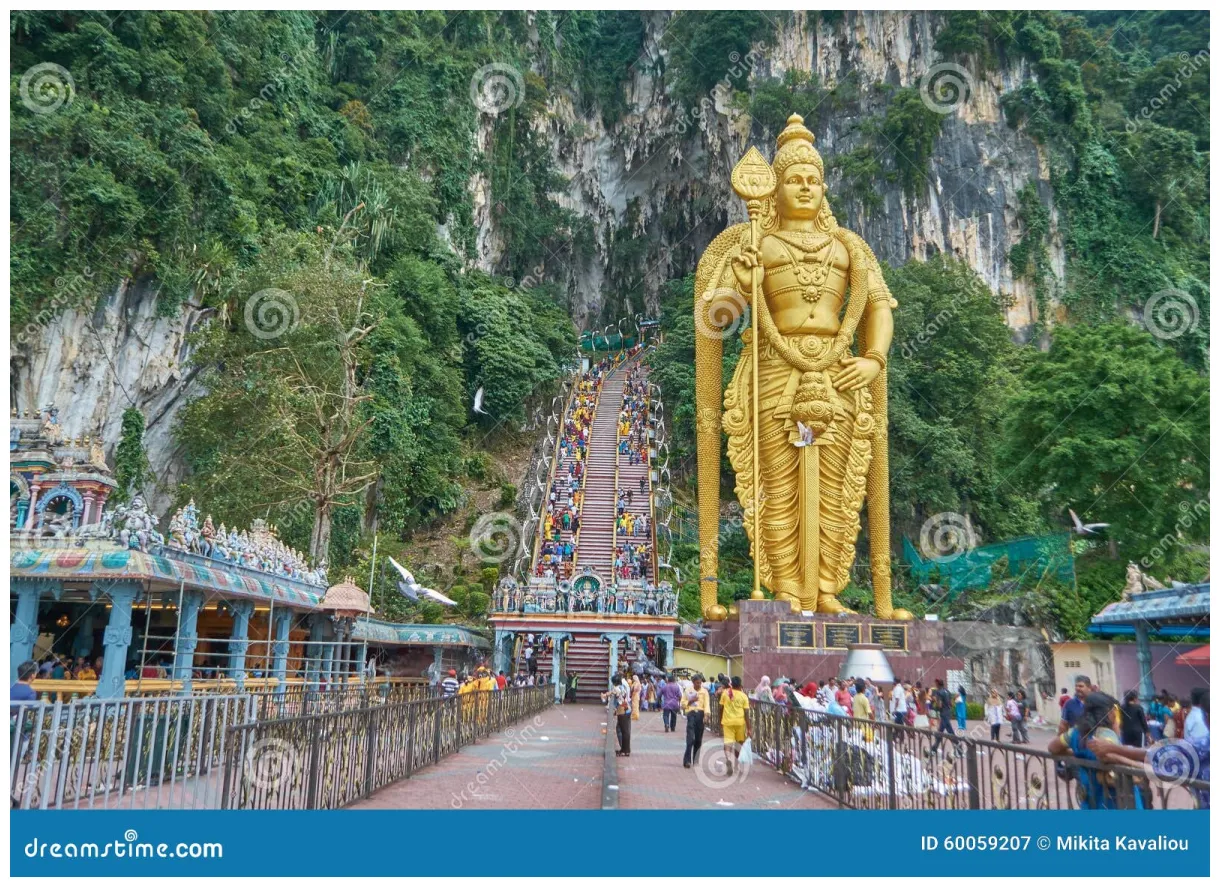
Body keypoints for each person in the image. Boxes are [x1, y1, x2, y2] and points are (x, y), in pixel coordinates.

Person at [1048, 691, 1132, 809]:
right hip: (1110, 799)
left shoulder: (1075, 733)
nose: (1115, 715)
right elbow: (1110, 755)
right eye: (1114, 711)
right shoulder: (1106, 735)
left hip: (1088, 795)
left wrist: (1075, 753)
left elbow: (1052, 747)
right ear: (1107, 712)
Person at [719, 676, 752, 775]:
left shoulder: (725, 693)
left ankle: (728, 759)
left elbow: (720, 708)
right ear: (740, 685)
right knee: (739, 744)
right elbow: (746, 713)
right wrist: (749, 727)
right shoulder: (743, 696)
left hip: (727, 722)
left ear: (731, 684)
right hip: (740, 723)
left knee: (727, 743)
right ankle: (737, 765)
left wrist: (720, 720)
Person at [682, 674, 710, 768]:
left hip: (700, 715)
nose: (699, 684)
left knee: (698, 739)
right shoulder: (688, 690)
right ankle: (687, 761)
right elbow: (682, 704)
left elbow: (706, 704)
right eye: (697, 683)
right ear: (693, 682)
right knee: (690, 739)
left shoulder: (704, 692)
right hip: (691, 714)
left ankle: (696, 759)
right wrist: (690, 701)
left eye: (700, 683)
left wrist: (706, 715)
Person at [602, 673, 632, 757]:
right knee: (625, 730)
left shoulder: (617, 688)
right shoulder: (623, 687)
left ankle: (625, 750)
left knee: (624, 731)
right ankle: (625, 749)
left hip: (623, 711)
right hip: (627, 710)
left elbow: (611, 693)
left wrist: (604, 695)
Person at [928, 678, 958, 754]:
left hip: (943, 714)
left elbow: (939, 705)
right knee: (947, 732)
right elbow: (951, 704)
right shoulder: (947, 691)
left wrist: (935, 701)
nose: (935, 685)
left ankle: (933, 749)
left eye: (936, 684)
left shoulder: (939, 692)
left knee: (943, 732)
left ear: (938, 684)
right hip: (947, 713)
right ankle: (958, 748)